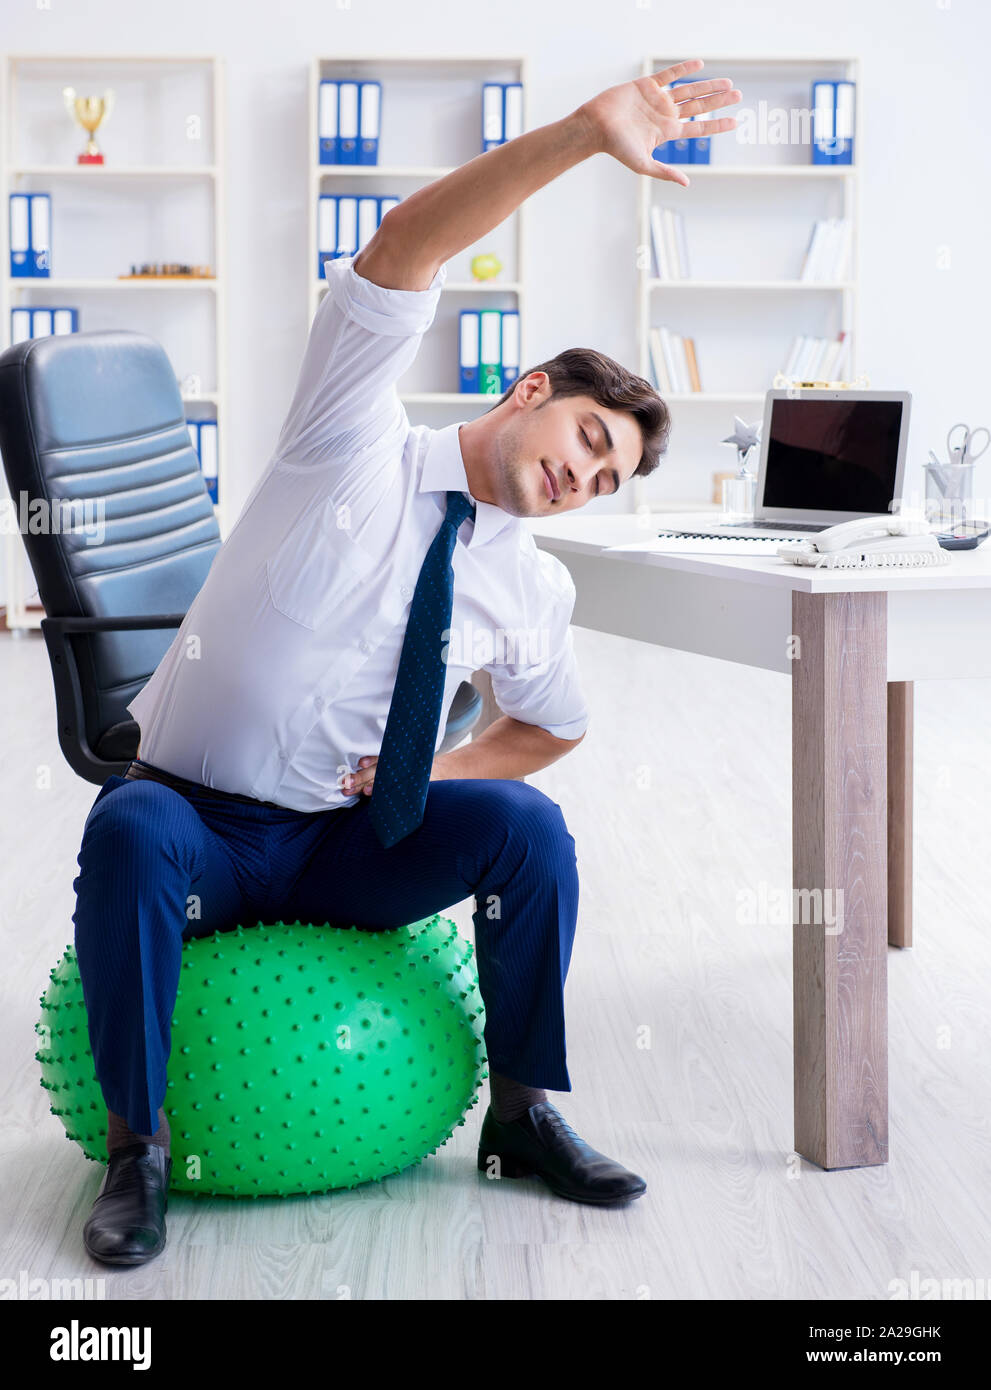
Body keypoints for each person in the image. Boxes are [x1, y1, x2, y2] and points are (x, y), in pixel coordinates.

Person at [72, 59, 740, 1266]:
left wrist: (433, 774)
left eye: (603, 480)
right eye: (585, 439)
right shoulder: (350, 433)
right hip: (197, 823)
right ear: (529, 388)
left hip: (341, 849)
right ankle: (138, 1146)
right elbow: (404, 244)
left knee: (528, 830)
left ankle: (525, 1113)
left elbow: (555, 725)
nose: (579, 477)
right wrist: (585, 136)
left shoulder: (530, 582)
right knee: (126, 832)